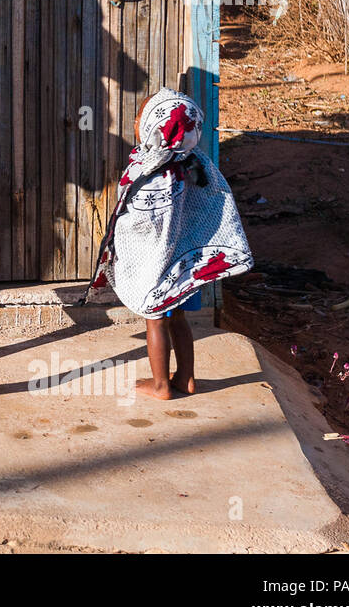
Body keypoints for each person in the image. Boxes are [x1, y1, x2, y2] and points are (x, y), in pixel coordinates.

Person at [82, 88, 254, 400]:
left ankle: (161, 385)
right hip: (185, 263)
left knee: (155, 318)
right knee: (180, 318)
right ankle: (186, 378)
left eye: (140, 118)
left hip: (156, 263)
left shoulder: (148, 167)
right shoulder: (197, 162)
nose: (136, 123)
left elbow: (136, 220)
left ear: (154, 126)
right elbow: (212, 209)